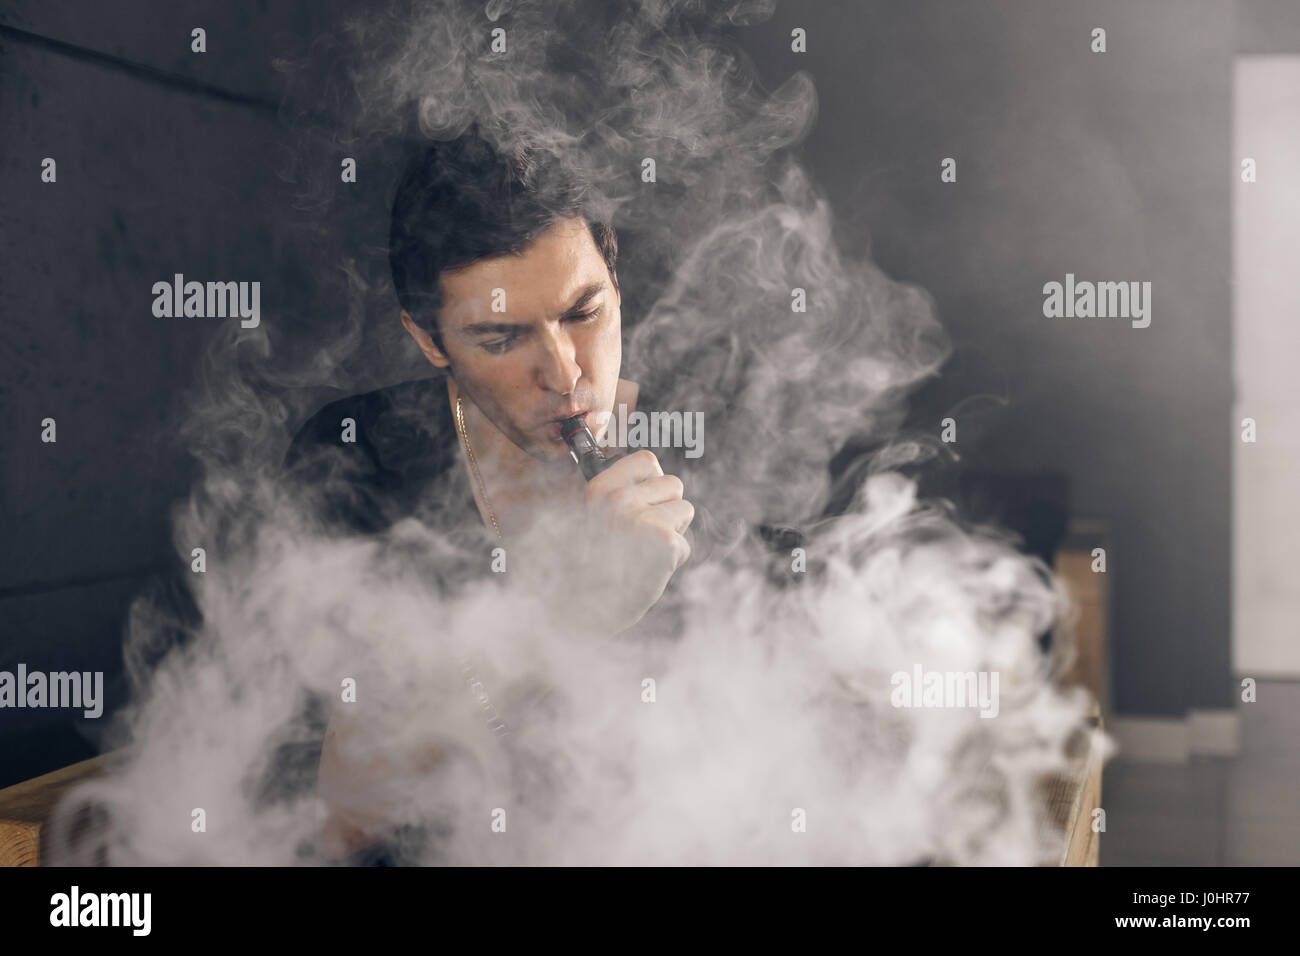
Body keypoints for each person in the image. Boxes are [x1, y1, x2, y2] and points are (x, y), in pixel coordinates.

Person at [281, 126, 696, 863]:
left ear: (617, 286)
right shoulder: (355, 454)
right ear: (429, 339)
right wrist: (562, 618)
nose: (566, 375)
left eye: (583, 313)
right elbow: (350, 805)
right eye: (502, 338)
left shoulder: (699, 444)